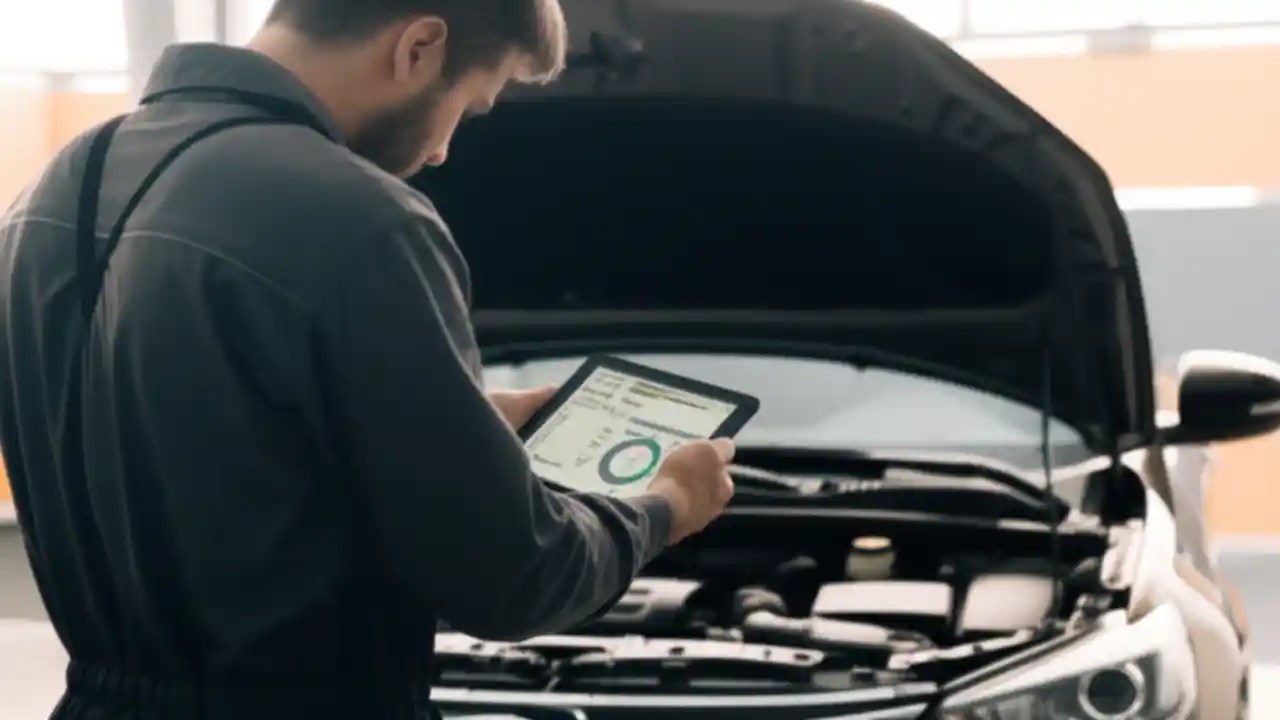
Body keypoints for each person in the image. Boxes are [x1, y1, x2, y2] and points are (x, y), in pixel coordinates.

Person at [0, 1, 736, 717]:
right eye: (468, 107)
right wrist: (666, 506)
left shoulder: (57, 187)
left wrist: (455, 430)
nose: (445, 149)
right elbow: (514, 579)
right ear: (418, 47)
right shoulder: (361, 215)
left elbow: (198, 447)